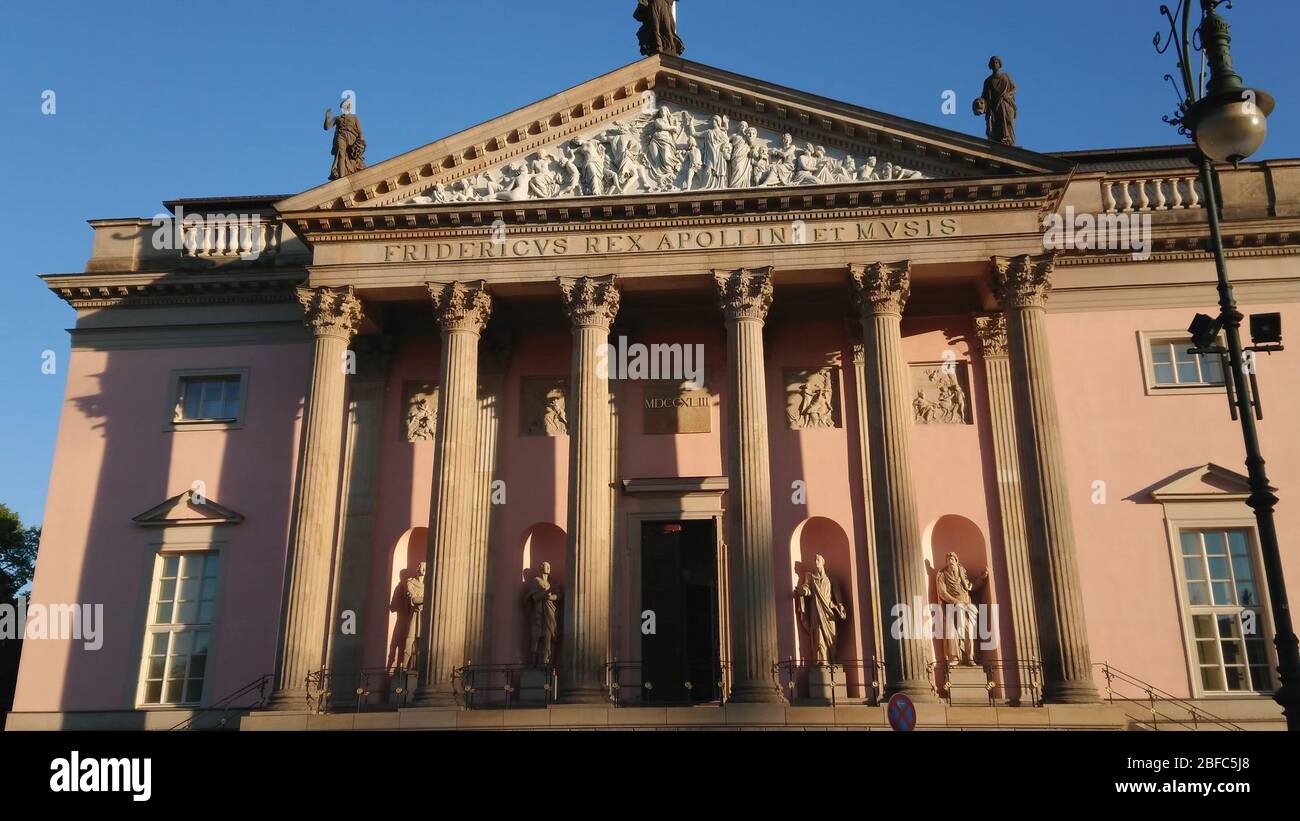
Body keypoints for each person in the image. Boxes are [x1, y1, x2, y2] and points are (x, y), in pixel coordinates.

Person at [796, 555, 848, 665]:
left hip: (829, 611)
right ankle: (822, 661)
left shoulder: (831, 578)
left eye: (818, 560)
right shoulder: (810, 577)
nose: (816, 562)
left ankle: (832, 660)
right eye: (814, 560)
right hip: (816, 610)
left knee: (832, 638)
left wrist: (840, 605)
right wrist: (803, 591)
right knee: (818, 635)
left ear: (823, 562)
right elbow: (807, 589)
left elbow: (837, 593)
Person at [524, 561, 560, 666]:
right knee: (535, 639)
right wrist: (548, 592)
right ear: (541, 568)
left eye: (549, 566)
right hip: (538, 615)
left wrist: (551, 596)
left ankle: (547, 665)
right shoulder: (536, 581)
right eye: (546, 566)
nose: (548, 567)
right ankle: (533, 664)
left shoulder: (552, 583)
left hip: (550, 614)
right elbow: (535, 597)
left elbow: (559, 596)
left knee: (548, 639)